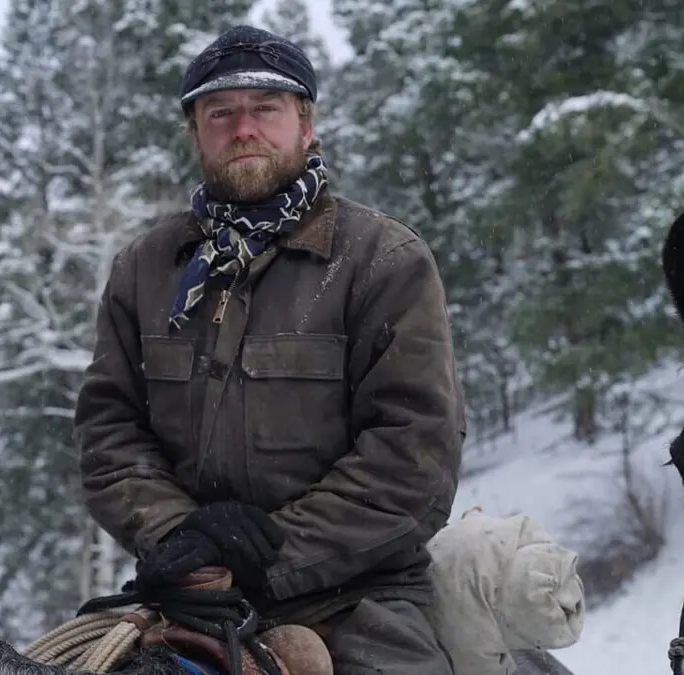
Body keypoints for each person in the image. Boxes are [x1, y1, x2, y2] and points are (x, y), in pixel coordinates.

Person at [73, 23, 466, 675]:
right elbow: (108, 431)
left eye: (266, 109)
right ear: (194, 133)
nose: (243, 128)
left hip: (358, 594)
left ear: (306, 126)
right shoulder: (145, 269)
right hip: (185, 590)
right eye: (220, 113)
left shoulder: (383, 261)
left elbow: (414, 456)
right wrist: (180, 536)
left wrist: (269, 550)